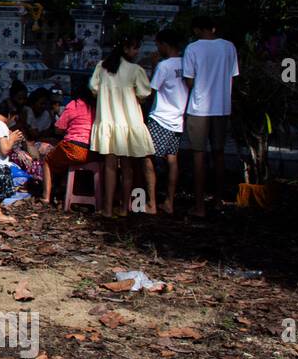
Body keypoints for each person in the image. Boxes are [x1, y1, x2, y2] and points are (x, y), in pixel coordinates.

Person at [90, 36, 155, 217]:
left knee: (110, 166)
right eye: (135, 48)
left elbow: (93, 89)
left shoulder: (102, 67)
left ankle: (108, 209)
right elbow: (144, 94)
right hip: (129, 122)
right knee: (127, 167)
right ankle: (125, 208)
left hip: (109, 121)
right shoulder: (135, 70)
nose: (137, 52)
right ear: (126, 49)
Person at [182, 15, 239, 218]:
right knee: (219, 153)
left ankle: (199, 205)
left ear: (197, 29)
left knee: (198, 155)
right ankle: (218, 199)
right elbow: (233, 76)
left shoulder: (193, 48)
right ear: (213, 28)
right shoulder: (229, 47)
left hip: (199, 108)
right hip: (222, 106)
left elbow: (189, 81)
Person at [144, 28, 189, 214]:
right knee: (172, 160)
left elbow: (151, 89)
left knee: (148, 157)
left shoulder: (164, 66)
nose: (157, 48)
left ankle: (152, 203)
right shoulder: (186, 63)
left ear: (164, 45)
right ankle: (169, 202)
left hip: (161, 117)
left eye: (158, 44)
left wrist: (154, 66)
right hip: (178, 119)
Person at [41, 79, 95, 204]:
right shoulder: (95, 108)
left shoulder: (73, 105)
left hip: (73, 147)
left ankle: (46, 196)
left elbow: (59, 128)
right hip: (92, 151)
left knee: (48, 160)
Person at [0, 98, 39, 182]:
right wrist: (13, 138)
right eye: (14, 118)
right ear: (9, 115)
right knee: (30, 179)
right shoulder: (0, 125)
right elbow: (4, 150)